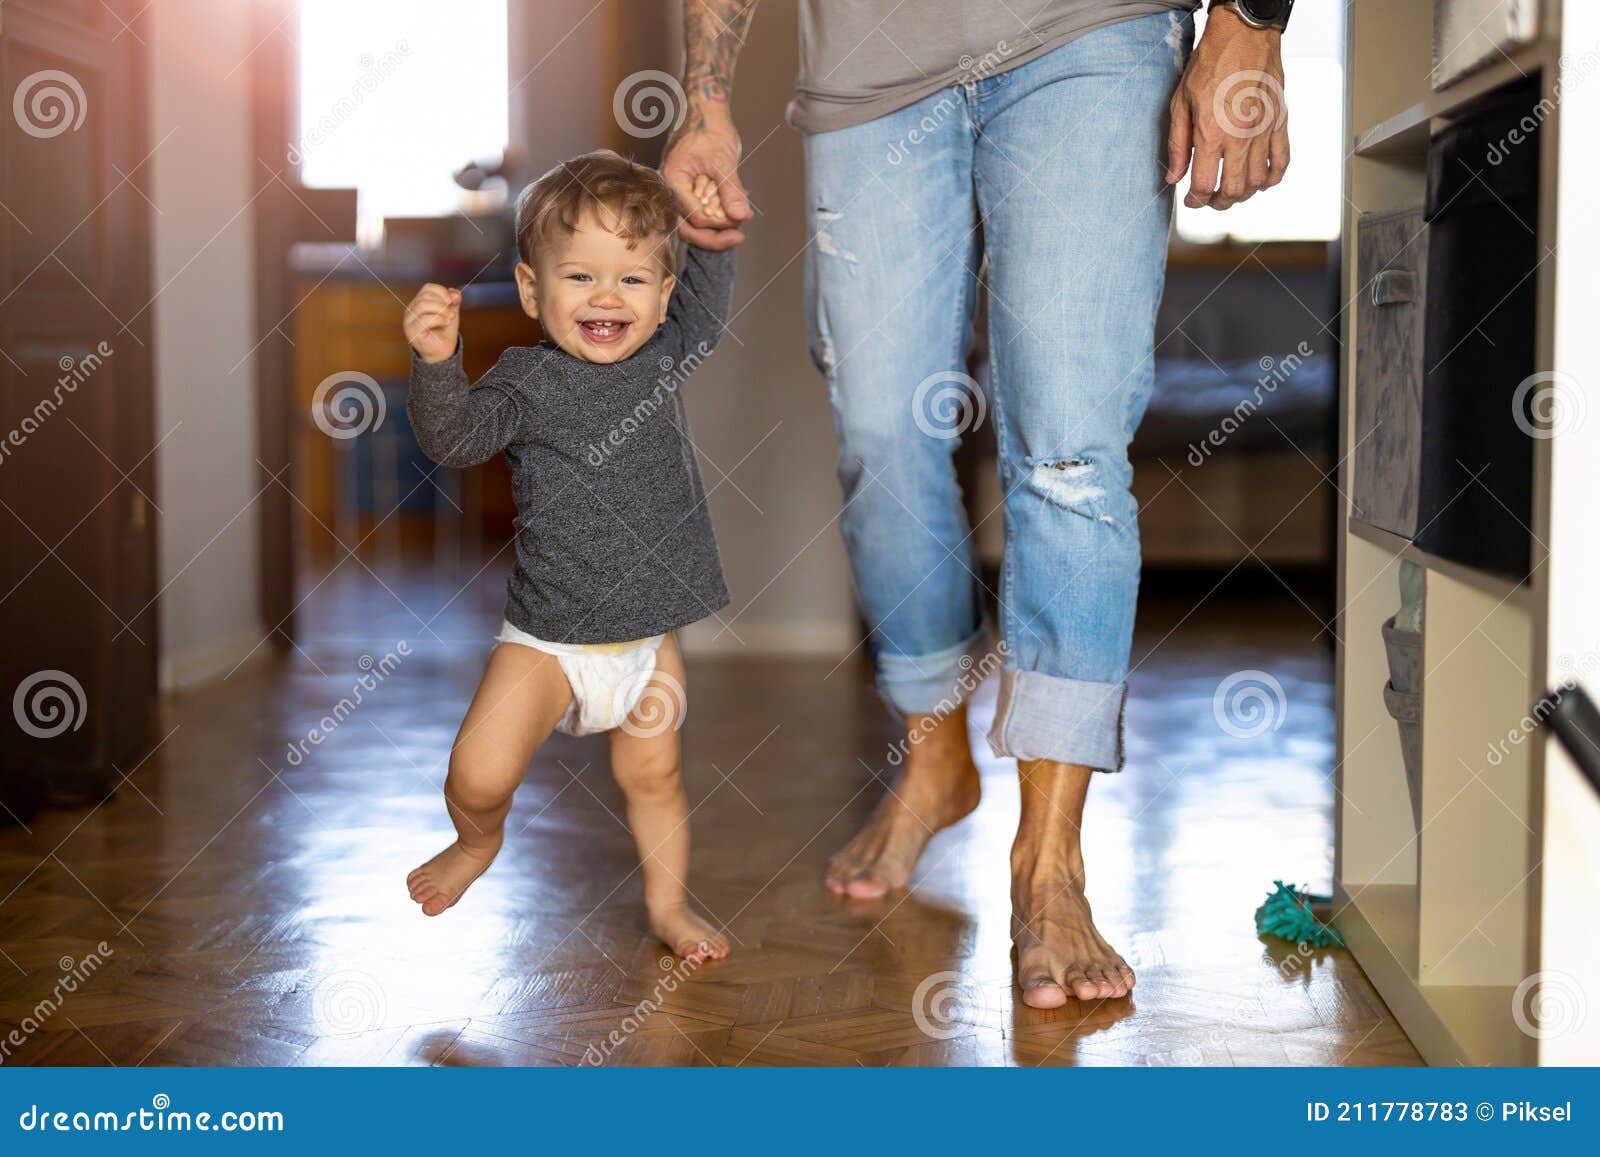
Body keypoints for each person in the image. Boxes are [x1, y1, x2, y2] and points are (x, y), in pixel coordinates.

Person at [659, 0, 1291, 1005]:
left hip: (1093, 31)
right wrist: (703, 97)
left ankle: (1049, 864)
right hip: (869, 61)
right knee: (882, 435)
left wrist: (1252, 22)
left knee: (1070, 453)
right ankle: (936, 756)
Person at [401, 150, 740, 963]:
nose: (604, 297)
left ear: (662, 296)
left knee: (654, 780)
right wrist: (437, 362)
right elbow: (453, 439)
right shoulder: (526, 380)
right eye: (580, 276)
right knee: (477, 774)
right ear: (530, 290)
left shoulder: (666, 356)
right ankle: (478, 842)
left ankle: (668, 906)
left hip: (646, 641)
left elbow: (709, 299)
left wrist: (714, 233)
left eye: (630, 280)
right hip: (547, 638)